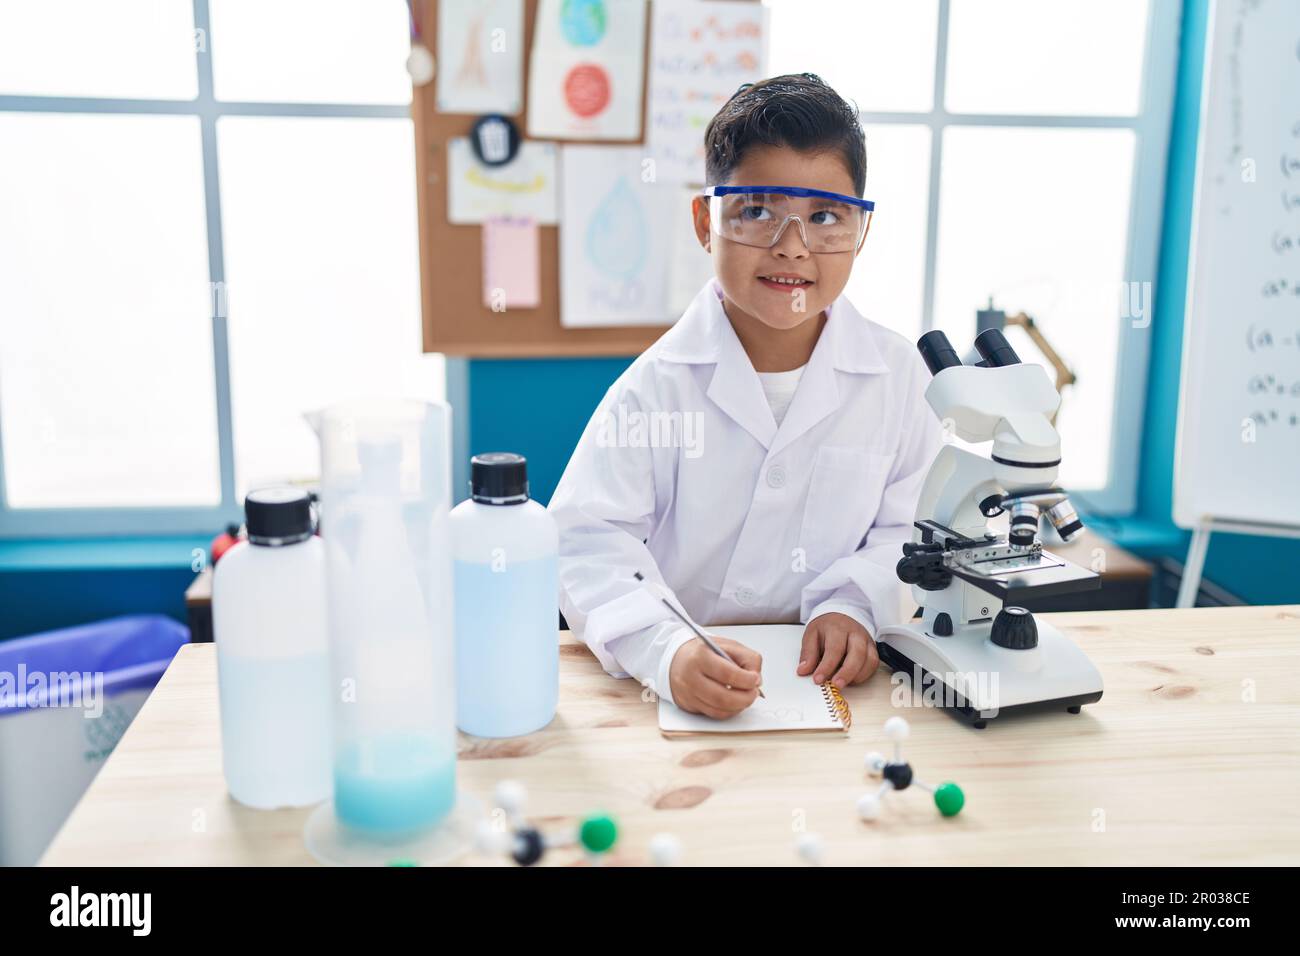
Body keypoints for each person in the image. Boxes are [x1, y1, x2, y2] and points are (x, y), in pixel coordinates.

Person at [548, 74, 942, 719]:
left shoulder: (900, 378)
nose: (793, 245)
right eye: (757, 211)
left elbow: (912, 528)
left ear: (859, 228)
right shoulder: (653, 388)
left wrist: (856, 603)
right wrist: (663, 647)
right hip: (683, 688)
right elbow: (587, 543)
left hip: (839, 694)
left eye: (824, 217)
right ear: (707, 221)